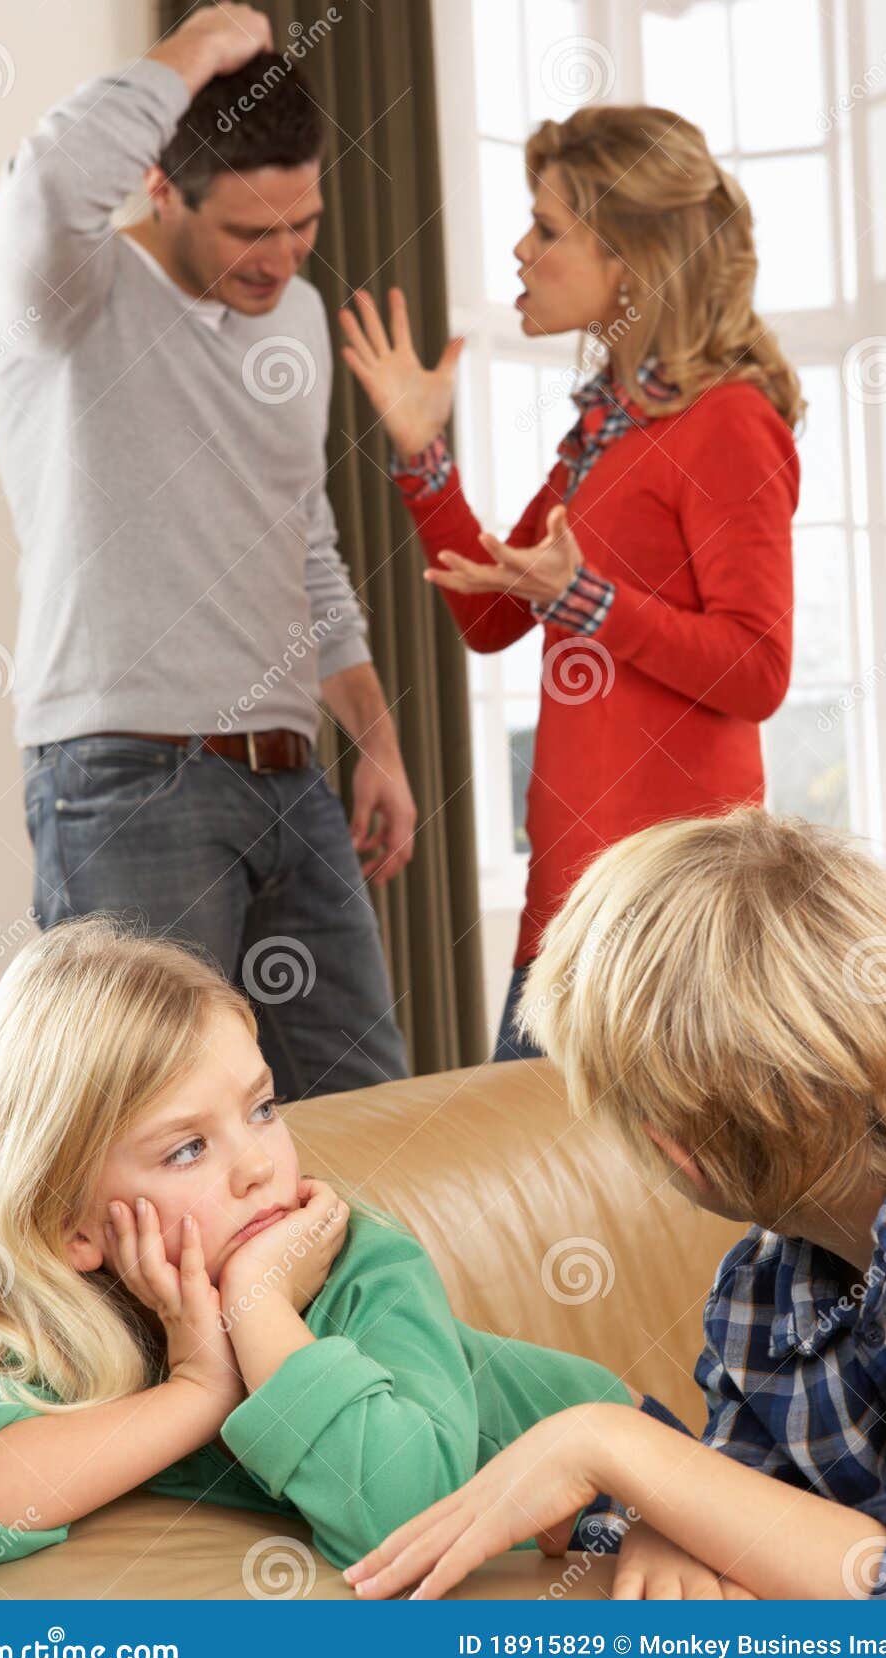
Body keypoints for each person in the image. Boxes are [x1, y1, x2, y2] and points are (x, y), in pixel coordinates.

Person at [0, 914, 635, 1587]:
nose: (257, 1165)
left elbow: (406, 1514)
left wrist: (258, 1302)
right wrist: (194, 1392)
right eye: (187, 1149)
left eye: (262, 1108)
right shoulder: (82, 1347)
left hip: (636, 1482)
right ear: (71, 1230)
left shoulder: (366, 1268)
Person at [341, 805, 886, 1601]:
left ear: (676, 1149)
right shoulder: (760, 1302)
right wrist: (657, 1514)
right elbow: (750, 1520)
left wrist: (609, 1444)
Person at [0, 2, 411, 1101]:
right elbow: (45, 179)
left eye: (301, 223)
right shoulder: (71, 296)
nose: (280, 259)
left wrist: (373, 737)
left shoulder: (300, 318)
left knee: (368, 1112)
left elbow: (301, 538)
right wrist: (191, 56)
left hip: (288, 776)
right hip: (124, 780)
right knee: (147, 1120)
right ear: (163, 187)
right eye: (246, 233)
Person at [339, 106, 803, 1062]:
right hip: (565, 903)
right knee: (548, 1205)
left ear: (628, 258)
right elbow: (488, 612)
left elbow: (755, 669)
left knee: (643, 1212)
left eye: (547, 231)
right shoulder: (611, 427)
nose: (520, 250)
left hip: (667, 924)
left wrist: (587, 601)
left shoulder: (727, 421)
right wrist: (424, 454)